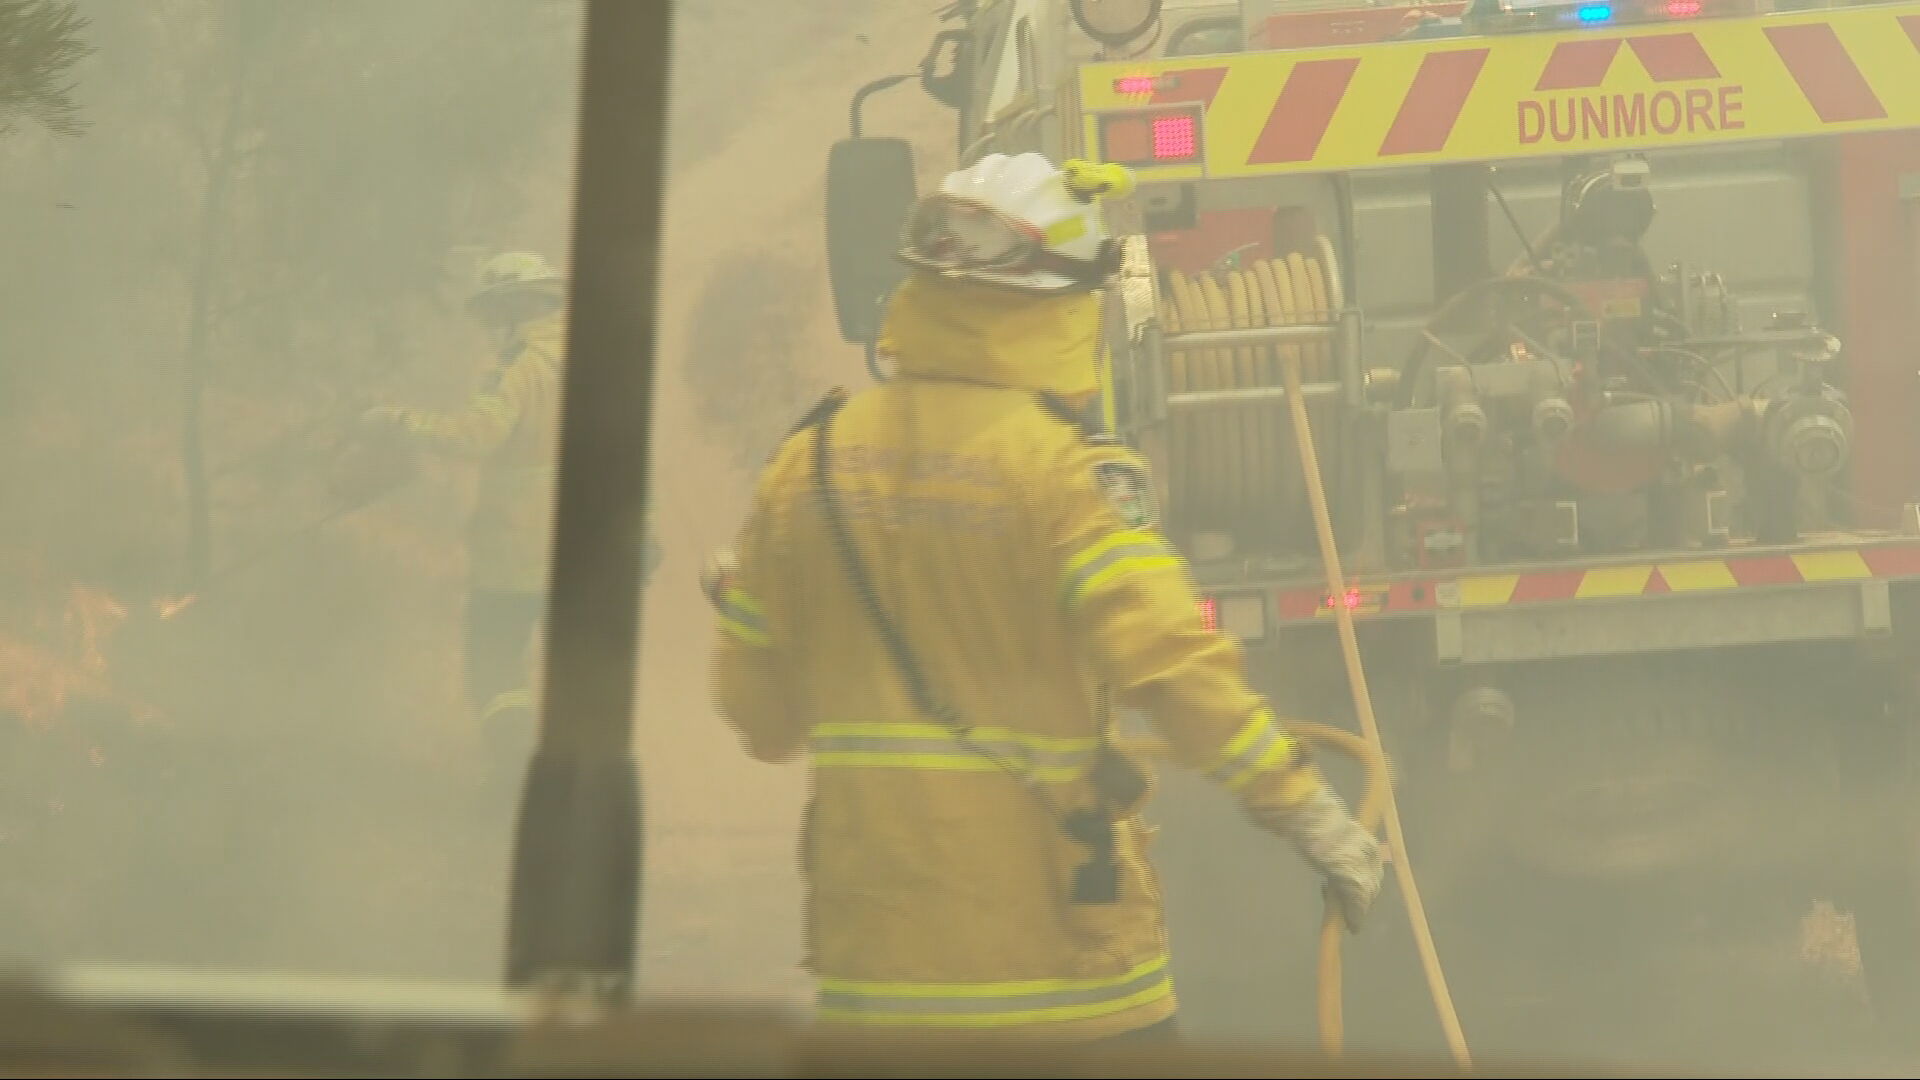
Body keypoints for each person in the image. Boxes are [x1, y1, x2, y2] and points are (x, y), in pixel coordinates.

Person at [704, 153, 1384, 1047]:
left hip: (879, 994)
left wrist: (764, 604)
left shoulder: (808, 469)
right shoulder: (1065, 474)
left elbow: (762, 720)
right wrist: (1308, 812)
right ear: (1063, 306)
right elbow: (1172, 666)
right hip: (1067, 991)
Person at [364, 250, 660, 783]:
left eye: (493, 314)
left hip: (518, 556)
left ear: (516, 306)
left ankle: (516, 780)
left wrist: (399, 421)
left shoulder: (520, 368)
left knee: (496, 669)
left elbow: (477, 436)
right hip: (593, 557)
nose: (489, 328)